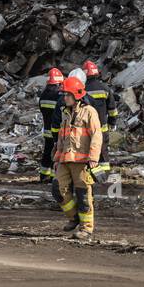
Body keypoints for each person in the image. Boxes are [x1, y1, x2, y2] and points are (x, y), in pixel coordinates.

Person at [52, 76, 103, 240]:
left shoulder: (89, 112)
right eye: (64, 94)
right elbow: (61, 138)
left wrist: (93, 157)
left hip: (82, 162)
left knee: (83, 196)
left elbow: (96, 135)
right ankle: (73, 217)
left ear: (77, 95)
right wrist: (57, 158)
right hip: (65, 159)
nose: (64, 97)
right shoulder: (65, 113)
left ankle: (86, 228)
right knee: (58, 190)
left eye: (67, 94)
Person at [81, 60, 119, 180]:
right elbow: (112, 109)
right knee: (103, 152)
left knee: (87, 152)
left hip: (85, 129)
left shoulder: (82, 89)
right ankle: (104, 177)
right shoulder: (104, 88)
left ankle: (88, 176)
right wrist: (112, 123)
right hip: (102, 129)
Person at [38, 67, 64, 182]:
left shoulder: (43, 95)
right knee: (57, 154)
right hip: (56, 131)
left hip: (47, 130)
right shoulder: (59, 96)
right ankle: (54, 177)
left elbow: (42, 109)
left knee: (47, 152)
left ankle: (43, 175)